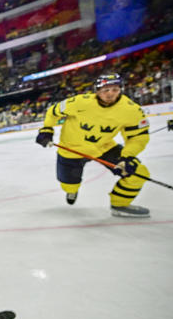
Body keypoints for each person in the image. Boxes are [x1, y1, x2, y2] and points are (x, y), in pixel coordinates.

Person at [35, 73, 151, 217]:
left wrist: (127, 157)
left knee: (138, 172)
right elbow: (53, 112)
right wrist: (47, 129)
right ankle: (72, 190)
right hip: (71, 149)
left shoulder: (131, 110)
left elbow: (138, 137)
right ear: (97, 90)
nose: (110, 94)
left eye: (114, 89)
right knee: (69, 185)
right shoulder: (78, 102)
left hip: (103, 147)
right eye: (105, 90)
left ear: (121, 89)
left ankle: (120, 204)